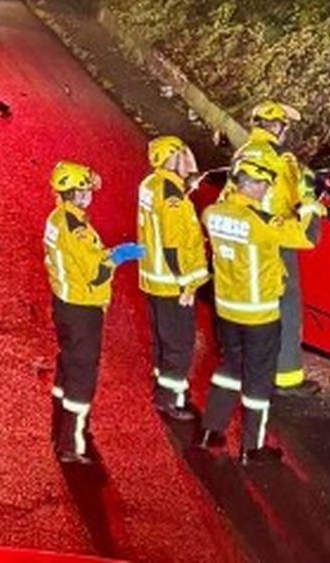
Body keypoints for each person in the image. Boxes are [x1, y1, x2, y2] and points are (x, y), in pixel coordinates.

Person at [198, 152, 315, 462]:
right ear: (251, 185)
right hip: (259, 313)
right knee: (258, 380)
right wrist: (310, 204)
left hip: (227, 311)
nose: (266, 190)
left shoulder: (213, 213)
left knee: (229, 368)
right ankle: (252, 447)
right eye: (264, 184)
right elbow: (306, 237)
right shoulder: (261, 223)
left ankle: (212, 428)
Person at [43, 160, 144, 464]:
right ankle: (72, 443)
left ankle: (60, 425)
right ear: (72, 193)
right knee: (82, 374)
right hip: (81, 308)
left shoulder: (59, 218)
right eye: (85, 190)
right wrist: (120, 255)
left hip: (65, 303)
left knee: (68, 366)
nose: (90, 195)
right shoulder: (75, 229)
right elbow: (97, 271)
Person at [238, 100, 326, 396]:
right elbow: (293, 199)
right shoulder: (281, 159)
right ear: (275, 126)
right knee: (286, 307)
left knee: (256, 308)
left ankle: (252, 370)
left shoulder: (244, 152)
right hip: (276, 240)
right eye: (284, 126)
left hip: (248, 240)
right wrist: (310, 196)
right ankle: (286, 377)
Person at [136, 135, 207, 421]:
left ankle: (162, 386)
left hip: (153, 278)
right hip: (171, 283)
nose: (188, 159)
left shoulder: (151, 184)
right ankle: (170, 398)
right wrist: (186, 284)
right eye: (181, 154)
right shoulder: (173, 197)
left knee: (162, 340)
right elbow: (173, 245)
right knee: (179, 342)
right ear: (170, 159)